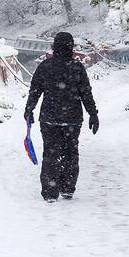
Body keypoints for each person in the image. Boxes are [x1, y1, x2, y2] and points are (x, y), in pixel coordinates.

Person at [24, 32, 98, 201]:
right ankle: (68, 187)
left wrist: (29, 109)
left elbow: (35, 90)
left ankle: (51, 191)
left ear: (54, 46)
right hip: (72, 118)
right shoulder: (77, 67)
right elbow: (86, 93)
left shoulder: (45, 66)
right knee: (71, 152)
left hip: (49, 117)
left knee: (51, 153)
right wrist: (93, 113)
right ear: (71, 47)